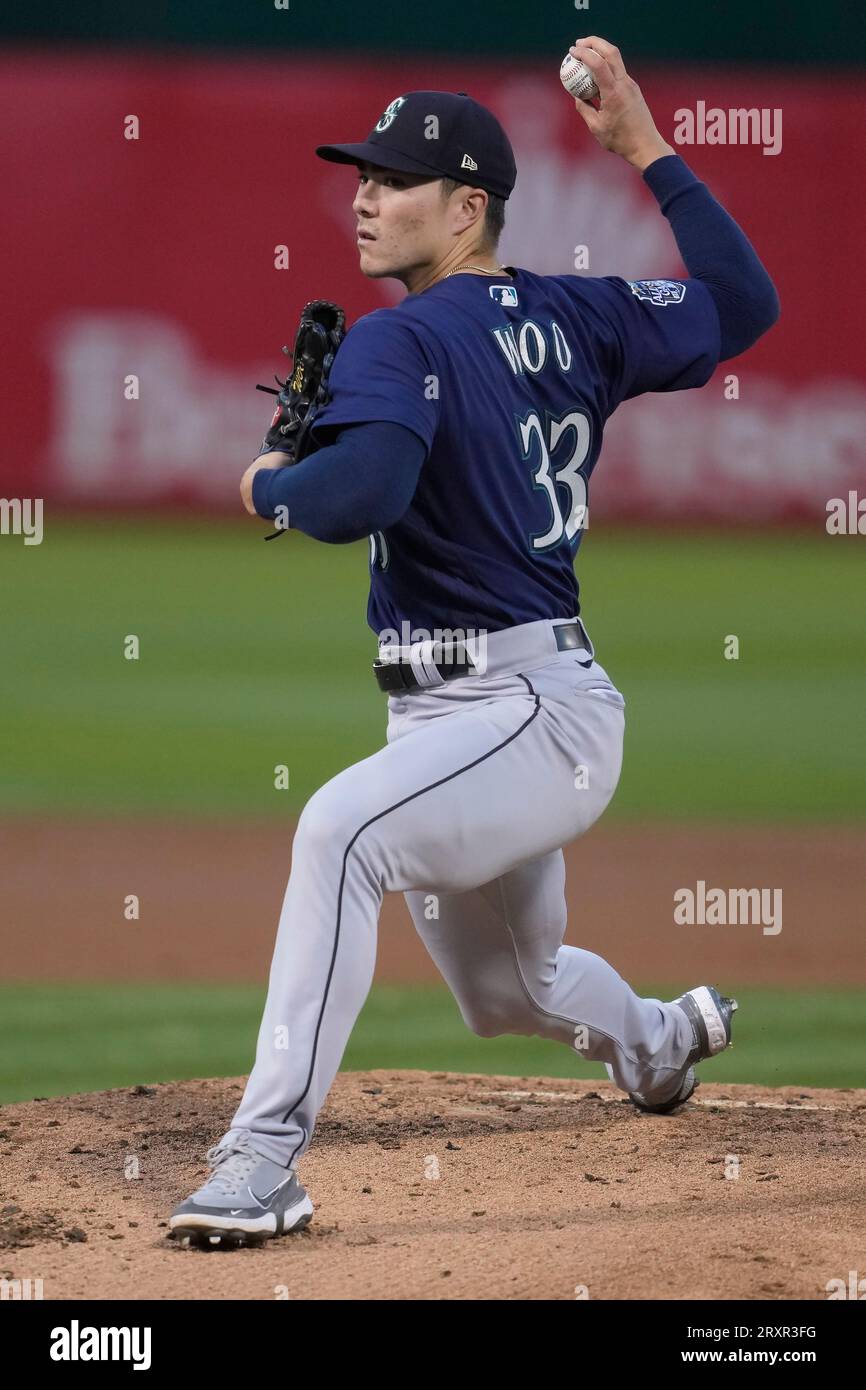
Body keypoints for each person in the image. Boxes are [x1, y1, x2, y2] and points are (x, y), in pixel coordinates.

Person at [170, 36, 779, 1247]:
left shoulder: (403, 339)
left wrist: (268, 484)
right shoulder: (581, 313)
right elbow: (743, 305)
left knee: (337, 832)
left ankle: (260, 1159)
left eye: (392, 180)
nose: (361, 193)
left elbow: (358, 500)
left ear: (466, 208)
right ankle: (660, 1045)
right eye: (360, 173)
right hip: (515, 714)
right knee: (511, 992)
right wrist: (646, 150)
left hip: (518, 708)